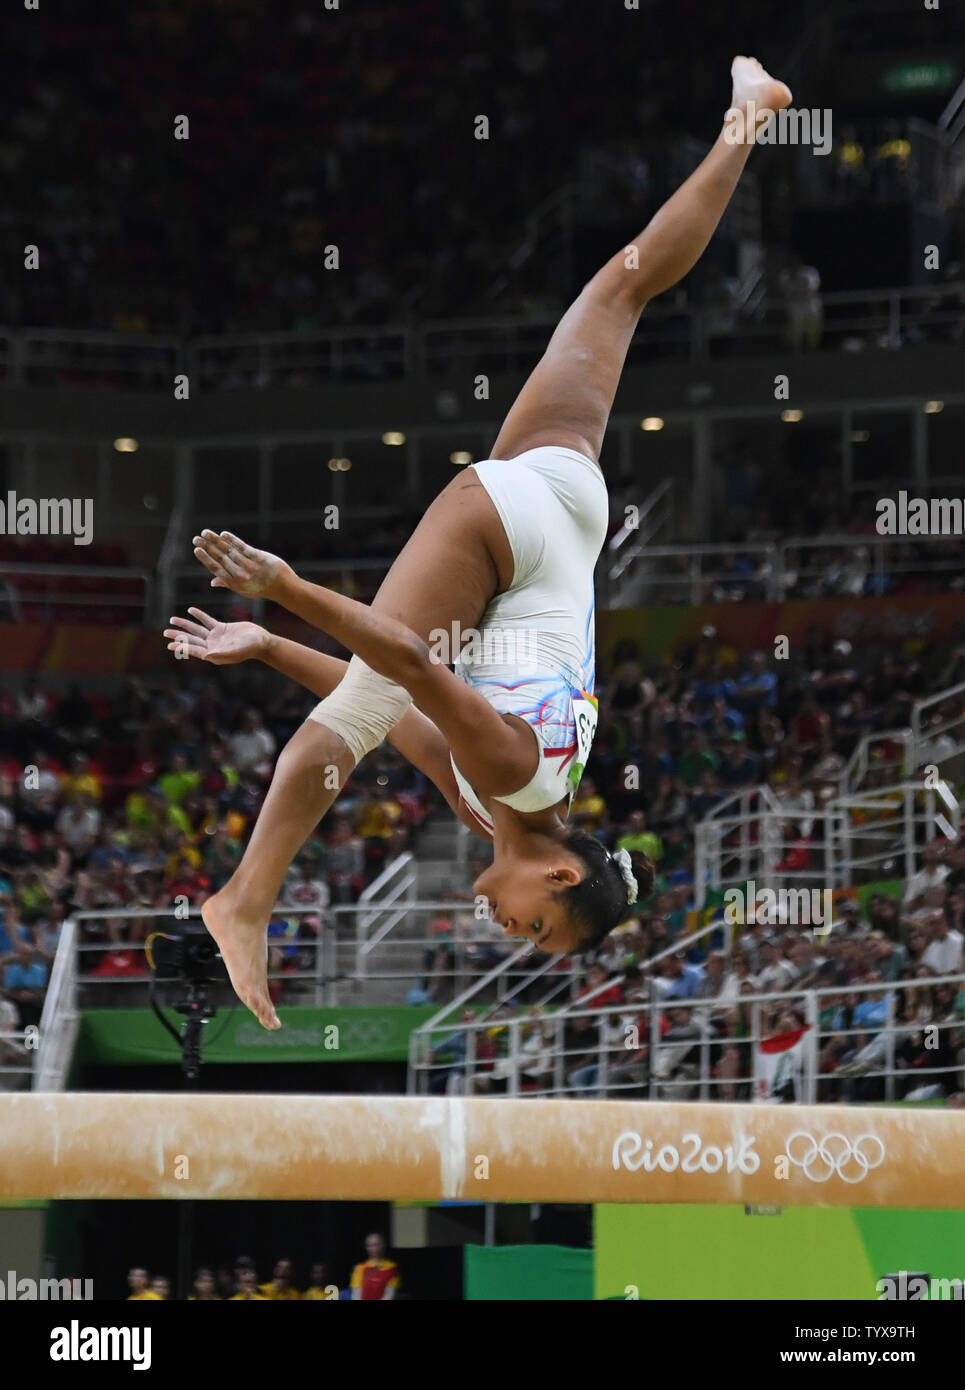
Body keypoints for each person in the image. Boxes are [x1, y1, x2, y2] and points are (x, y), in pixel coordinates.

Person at [166, 57, 792, 1028]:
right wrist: (284, 587)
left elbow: (393, 701)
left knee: (621, 288)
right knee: (366, 703)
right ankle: (245, 902)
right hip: (513, 536)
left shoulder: (485, 800)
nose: (514, 934)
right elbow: (406, 662)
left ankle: (746, 117)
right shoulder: (508, 774)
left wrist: (268, 647)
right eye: (539, 927)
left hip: (562, 512)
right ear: (555, 869)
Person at [350, 1234, 401, 1301]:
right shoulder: (359, 1268)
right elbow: (356, 1294)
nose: (374, 1248)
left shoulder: (391, 1268)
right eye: (370, 1245)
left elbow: (389, 1295)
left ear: (383, 1245)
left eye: (377, 1244)